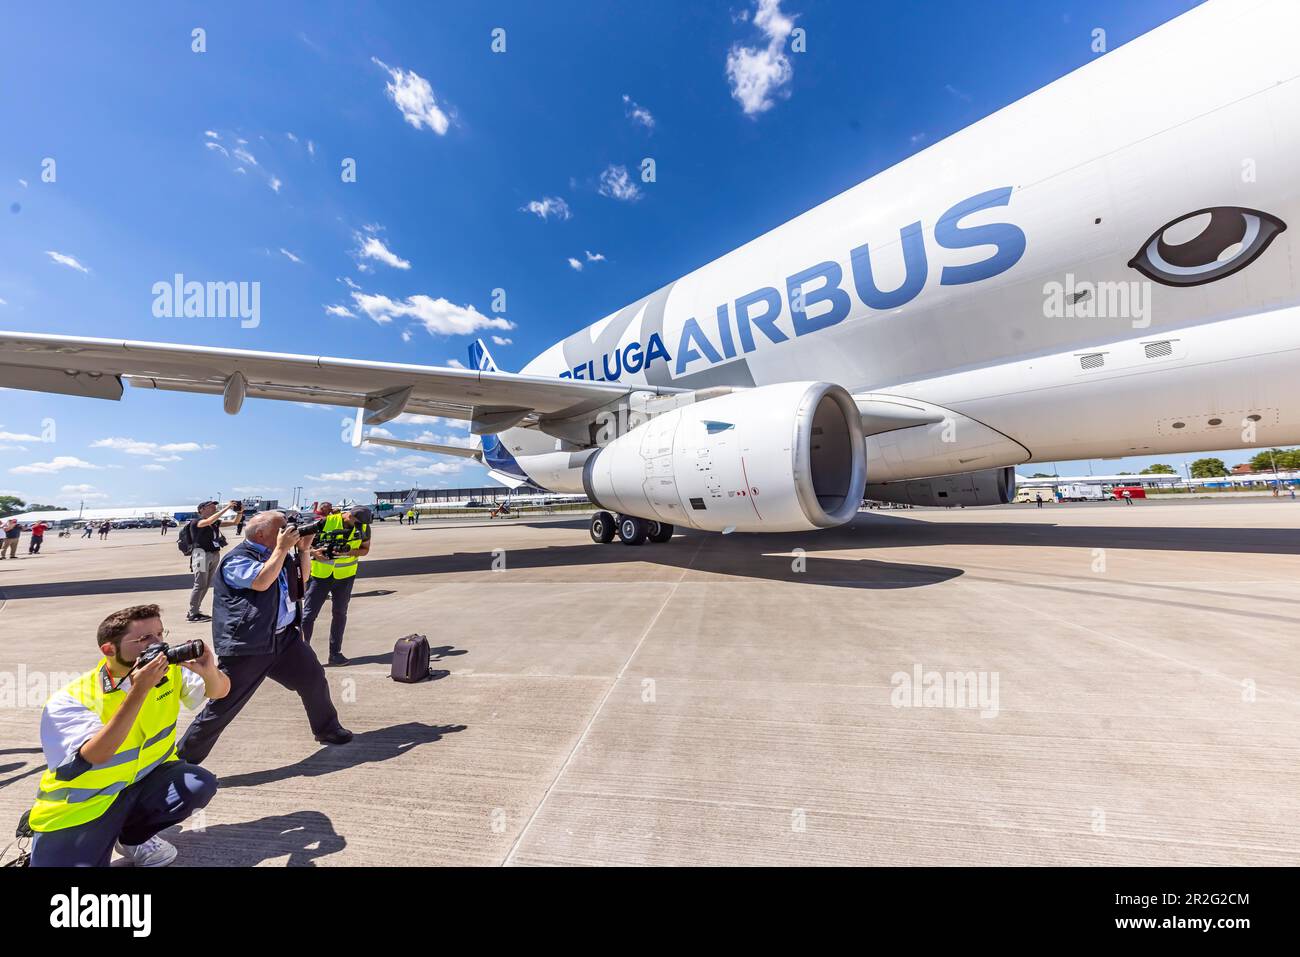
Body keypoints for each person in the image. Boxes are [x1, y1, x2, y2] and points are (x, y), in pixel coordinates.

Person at [28, 603, 230, 867]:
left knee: (198, 784)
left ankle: (134, 837)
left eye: (160, 634)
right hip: (83, 805)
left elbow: (220, 691)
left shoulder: (170, 674)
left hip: (141, 783)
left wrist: (209, 671)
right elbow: (97, 754)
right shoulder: (71, 699)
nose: (158, 644)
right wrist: (139, 690)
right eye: (144, 638)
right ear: (109, 650)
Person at [176, 511, 352, 763]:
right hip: (250, 644)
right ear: (261, 534)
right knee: (224, 705)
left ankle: (327, 728)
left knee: (313, 678)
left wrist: (303, 550)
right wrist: (282, 549)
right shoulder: (237, 560)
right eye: (281, 528)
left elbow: (302, 583)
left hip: (284, 639)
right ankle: (182, 759)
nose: (286, 531)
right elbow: (261, 582)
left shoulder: (277, 555)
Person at [302, 506, 372, 666]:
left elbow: (365, 549)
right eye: (357, 521)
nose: (358, 525)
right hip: (320, 576)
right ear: (348, 515)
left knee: (340, 614)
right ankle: (302, 654)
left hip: (345, 576)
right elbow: (301, 543)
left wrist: (349, 552)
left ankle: (335, 654)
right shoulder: (325, 522)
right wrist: (314, 553)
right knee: (308, 615)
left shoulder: (364, 527)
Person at [185, 499, 243, 623]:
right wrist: (227, 507)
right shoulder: (197, 522)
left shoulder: (214, 523)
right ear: (201, 510)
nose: (213, 508)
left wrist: (240, 512)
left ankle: (195, 610)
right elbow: (209, 521)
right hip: (200, 554)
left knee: (206, 584)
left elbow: (235, 522)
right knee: (199, 584)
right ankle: (192, 613)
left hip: (214, 554)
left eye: (214, 506)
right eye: (210, 506)